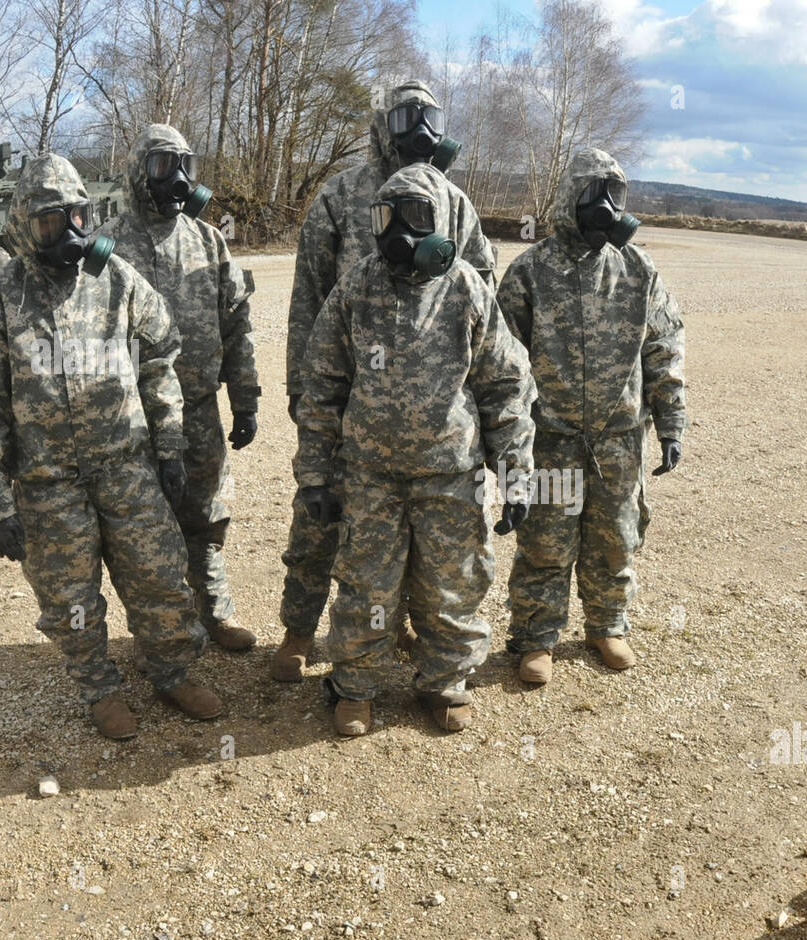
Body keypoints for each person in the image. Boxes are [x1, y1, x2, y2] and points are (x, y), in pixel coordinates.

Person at [0, 154, 222, 740]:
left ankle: (173, 670)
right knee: (71, 599)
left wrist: (171, 445)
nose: (70, 234)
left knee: (159, 578)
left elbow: (159, 358)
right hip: (50, 487)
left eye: (77, 216)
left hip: (127, 469)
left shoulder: (120, 280)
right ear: (26, 227)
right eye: (52, 223)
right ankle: (99, 688)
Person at [294, 163, 535, 736]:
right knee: (366, 582)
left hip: (449, 473)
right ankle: (355, 685)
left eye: (415, 216)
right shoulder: (356, 286)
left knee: (452, 581)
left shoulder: (468, 289)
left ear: (442, 222)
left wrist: (516, 474)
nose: (398, 231)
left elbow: (505, 385)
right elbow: (323, 384)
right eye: (386, 216)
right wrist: (316, 476)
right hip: (370, 475)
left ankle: (445, 682)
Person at [275, 80, 496, 682]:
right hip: (348, 384)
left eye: (430, 115)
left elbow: (480, 295)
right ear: (382, 124)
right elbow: (307, 296)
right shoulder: (342, 193)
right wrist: (303, 388)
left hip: (425, 401)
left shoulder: (454, 200)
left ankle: (389, 627)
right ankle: (298, 631)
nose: (419, 126)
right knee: (320, 516)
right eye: (405, 114)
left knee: (412, 534)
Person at [495, 147, 686, 684]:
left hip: (619, 440)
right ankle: (535, 637)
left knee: (614, 539)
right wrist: (506, 447)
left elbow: (664, 347)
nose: (605, 205)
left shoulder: (637, 268)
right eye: (593, 193)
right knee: (547, 544)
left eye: (615, 194)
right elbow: (502, 363)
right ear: (568, 198)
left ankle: (607, 626)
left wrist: (671, 422)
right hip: (553, 438)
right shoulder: (531, 270)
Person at [99, 124, 260, 653]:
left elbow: (237, 322)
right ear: (139, 171)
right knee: (144, 530)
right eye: (165, 166)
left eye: (185, 166)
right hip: (131, 418)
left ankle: (214, 612)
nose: (179, 179)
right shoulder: (108, 247)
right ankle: (162, 636)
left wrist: (245, 397)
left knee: (207, 515)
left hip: (197, 409)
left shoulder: (208, 239)